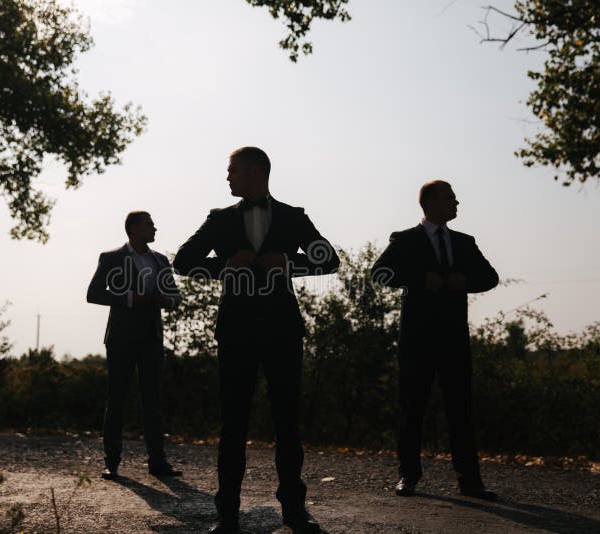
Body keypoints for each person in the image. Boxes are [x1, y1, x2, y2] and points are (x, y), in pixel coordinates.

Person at [174, 147, 339, 533]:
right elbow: (182, 261)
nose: (227, 178)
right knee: (233, 423)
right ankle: (227, 515)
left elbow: (330, 260)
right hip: (236, 331)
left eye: (231, 171)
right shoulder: (218, 220)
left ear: (254, 171)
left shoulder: (293, 217)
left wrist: (289, 264)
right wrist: (224, 266)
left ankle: (295, 512)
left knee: (287, 423)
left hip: (283, 331)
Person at [371, 180, 499, 500]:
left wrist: (462, 280)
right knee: (412, 409)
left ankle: (470, 480)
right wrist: (419, 279)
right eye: (450, 198)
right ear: (430, 202)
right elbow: (380, 273)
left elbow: (490, 277)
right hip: (417, 341)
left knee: (461, 410)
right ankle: (408, 476)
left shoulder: (464, 242)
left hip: (455, 340)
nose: (457, 203)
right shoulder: (404, 241)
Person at [86, 211, 182, 480]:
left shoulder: (161, 260)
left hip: (152, 338)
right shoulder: (111, 258)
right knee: (116, 399)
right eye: (150, 223)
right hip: (120, 339)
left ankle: (158, 462)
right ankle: (112, 463)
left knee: (152, 400)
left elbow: (176, 296)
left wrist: (169, 301)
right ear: (134, 229)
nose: (155, 228)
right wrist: (131, 298)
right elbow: (93, 294)